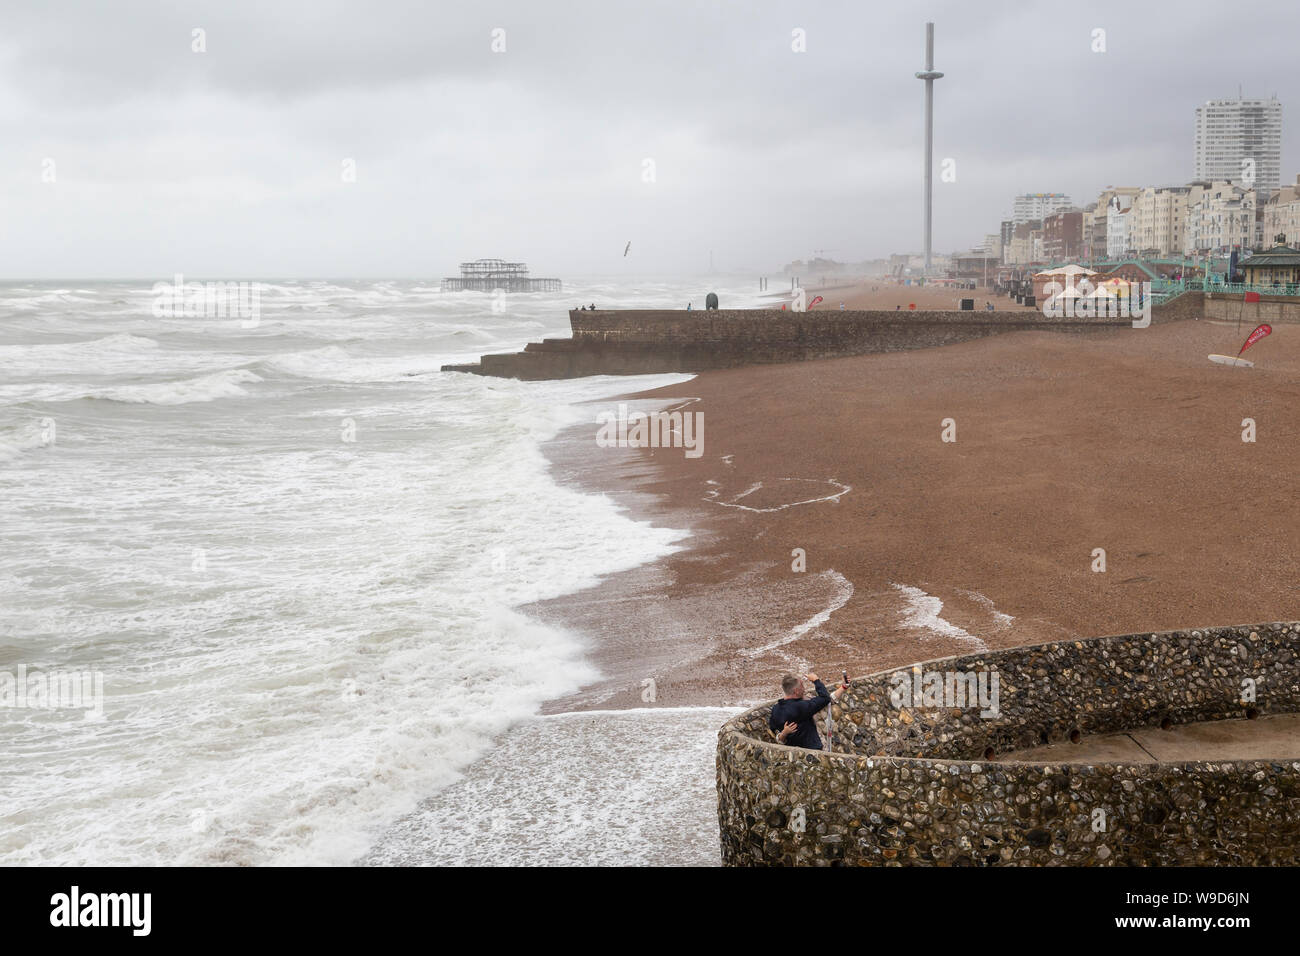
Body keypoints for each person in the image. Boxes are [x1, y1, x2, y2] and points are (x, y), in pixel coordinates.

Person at [769, 672, 846, 750]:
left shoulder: (776, 709)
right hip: (812, 753)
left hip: (793, 756)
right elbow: (825, 699)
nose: (804, 688)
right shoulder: (802, 706)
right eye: (802, 685)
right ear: (796, 691)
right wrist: (816, 681)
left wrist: (843, 687)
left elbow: (776, 733)